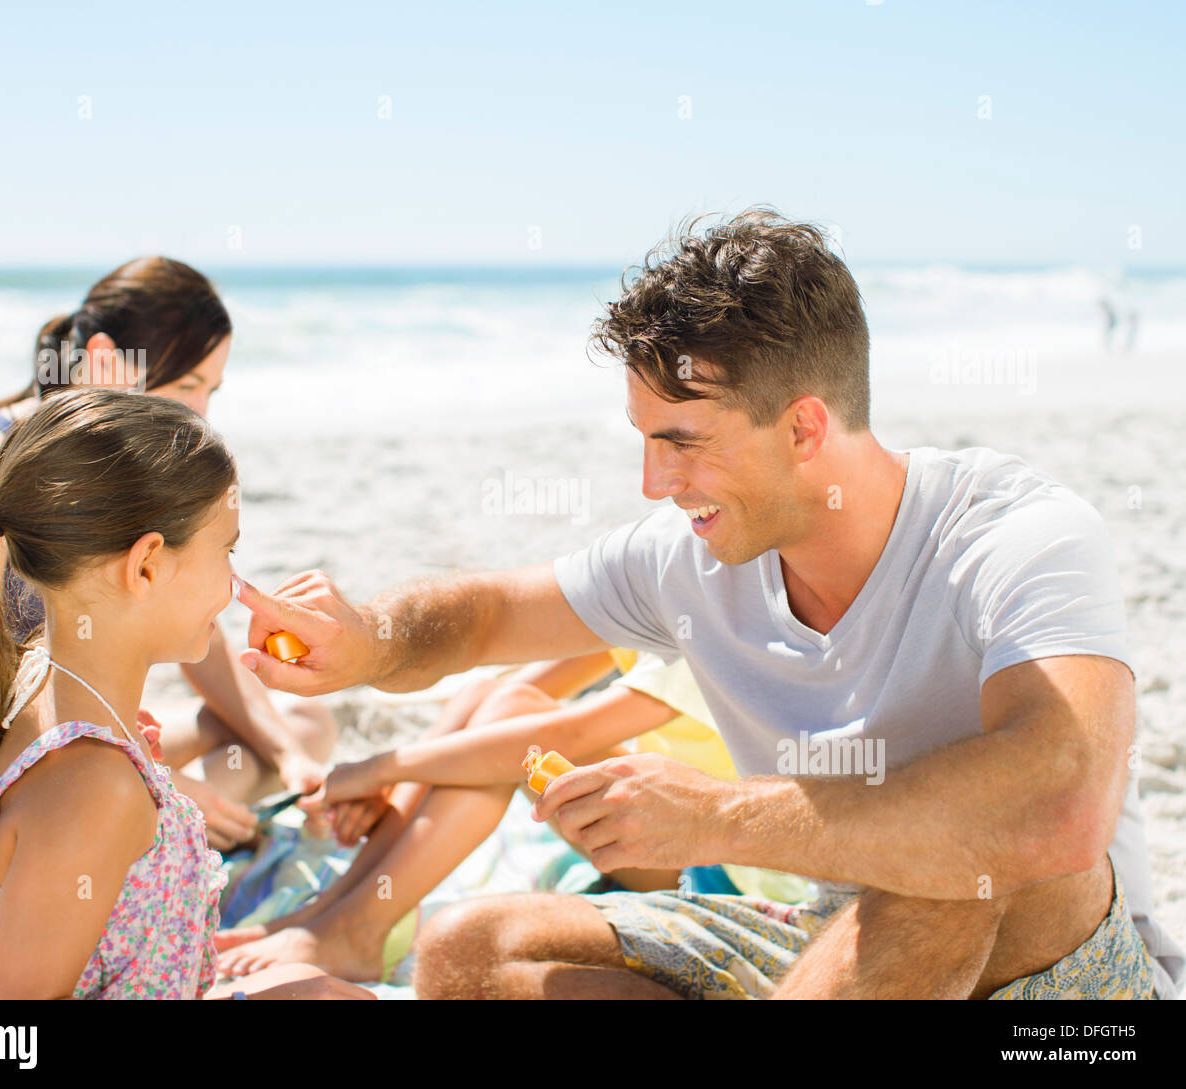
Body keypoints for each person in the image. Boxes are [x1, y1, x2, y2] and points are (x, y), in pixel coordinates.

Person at [230, 207, 1183, 1000]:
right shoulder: (695, 557)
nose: (654, 481)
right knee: (473, 950)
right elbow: (487, 615)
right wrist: (369, 640)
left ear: (805, 425)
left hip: (1069, 993)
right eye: (646, 439)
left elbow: (1061, 807)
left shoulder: (1015, 534)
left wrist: (721, 818)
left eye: (682, 441)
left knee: (956, 866)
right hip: (840, 937)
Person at [0, 389, 370, 999]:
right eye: (227, 550)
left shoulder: (12, 685)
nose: (234, 583)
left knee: (307, 986)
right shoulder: (95, 787)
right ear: (146, 565)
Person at [0, 257, 331, 877]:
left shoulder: (113, 463)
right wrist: (154, 777)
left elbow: (190, 616)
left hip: (56, 739)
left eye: (210, 390)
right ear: (102, 360)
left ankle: (163, 828)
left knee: (306, 725)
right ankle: (161, 827)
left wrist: (286, 758)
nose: (200, 413)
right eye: (184, 387)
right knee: (103, 799)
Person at [214, 647, 806, 982]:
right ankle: (334, 910)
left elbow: (562, 730)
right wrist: (393, 785)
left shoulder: (719, 620)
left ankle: (358, 930)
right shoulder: (662, 587)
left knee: (515, 731)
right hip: (667, 827)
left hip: (716, 865)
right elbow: (510, 691)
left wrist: (379, 769)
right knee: (484, 701)